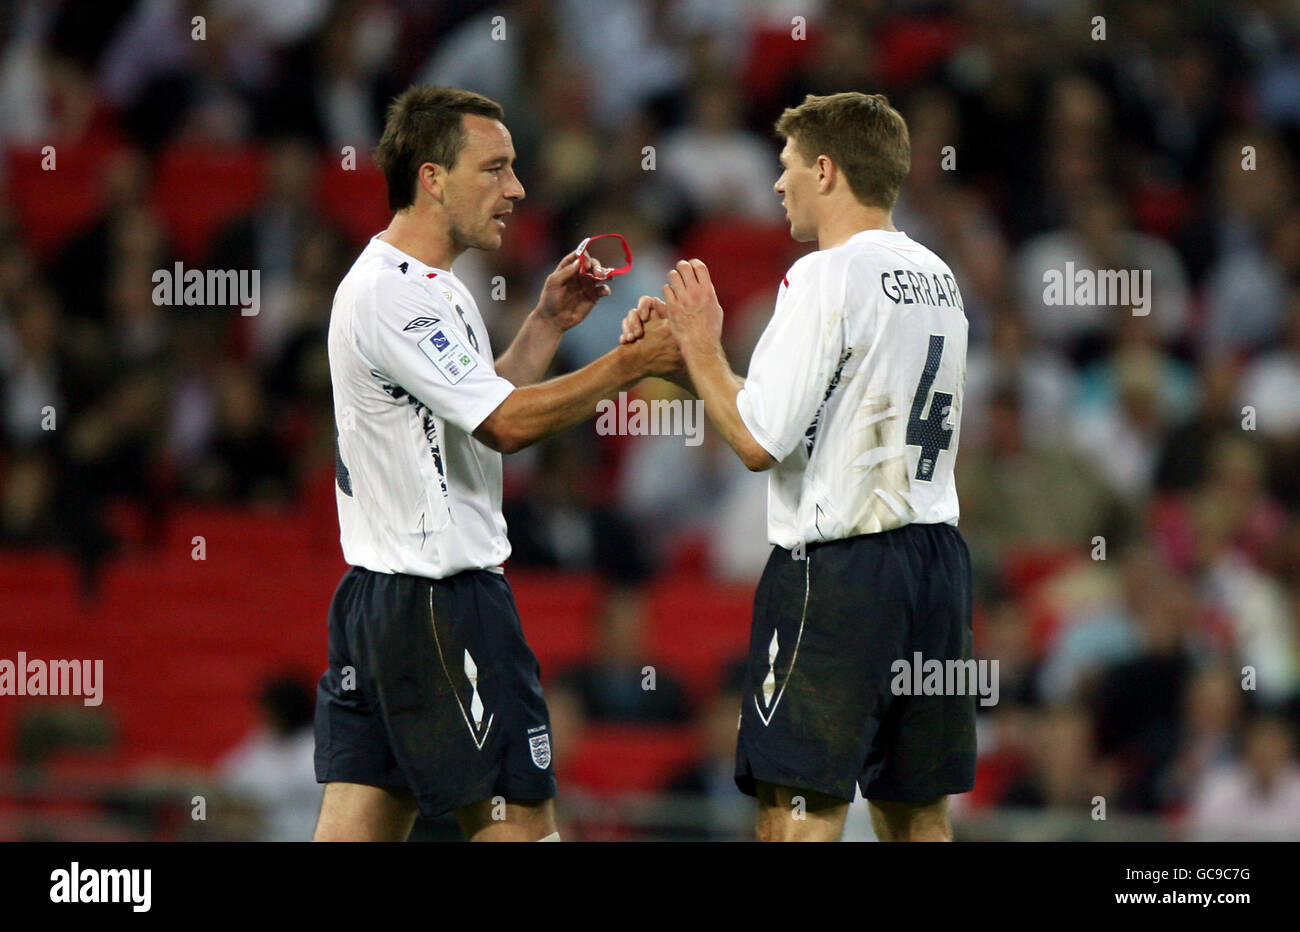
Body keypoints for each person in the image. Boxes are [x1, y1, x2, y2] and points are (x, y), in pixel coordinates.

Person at [314, 85, 681, 842]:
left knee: (358, 826)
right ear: (432, 177)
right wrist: (627, 364)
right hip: (443, 605)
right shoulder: (398, 297)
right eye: (496, 167)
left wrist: (545, 325)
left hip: (380, 605)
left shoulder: (420, 287)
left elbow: (476, 420)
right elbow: (508, 427)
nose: (517, 188)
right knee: (521, 822)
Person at [622, 92, 975, 841]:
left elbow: (756, 444)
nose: (777, 185)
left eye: (786, 168)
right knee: (918, 815)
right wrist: (694, 366)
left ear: (825, 168)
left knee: (796, 813)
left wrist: (703, 340)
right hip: (935, 568)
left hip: (840, 572)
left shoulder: (823, 275)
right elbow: (809, 415)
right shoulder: (940, 279)